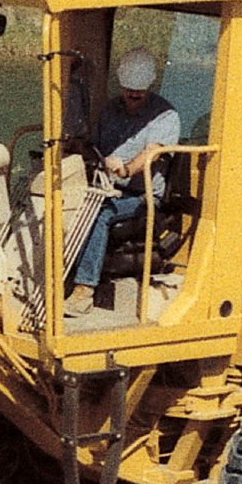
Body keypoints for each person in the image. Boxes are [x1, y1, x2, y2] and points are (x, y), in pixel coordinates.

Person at [64, 49, 182, 316]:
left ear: (149, 86)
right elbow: (96, 146)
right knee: (66, 202)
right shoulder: (111, 110)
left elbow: (151, 154)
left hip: (142, 197)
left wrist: (127, 170)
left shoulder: (165, 116)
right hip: (107, 188)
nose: (132, 97)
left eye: (138, 93)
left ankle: (84, 290)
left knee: (100, 214)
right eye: (128, 90)